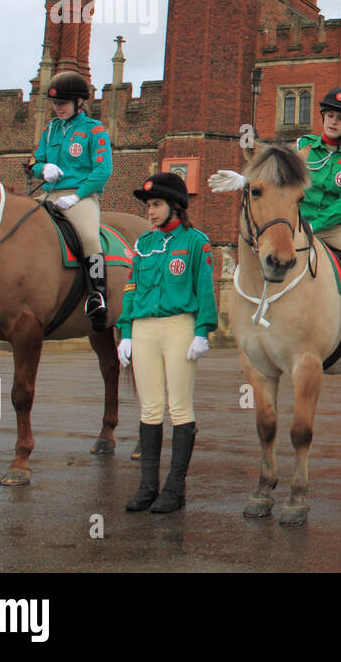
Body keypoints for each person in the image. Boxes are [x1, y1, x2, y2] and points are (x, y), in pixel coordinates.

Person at [209, 87, 341, 367]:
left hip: (338, 227)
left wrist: (313, 226)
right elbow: (276, 176)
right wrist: (246, 180)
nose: (332, 121)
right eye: (329, 115)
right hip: (295, 223)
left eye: (340, 118)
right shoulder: (303, 146)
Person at [116, 173, 218, 514]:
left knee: (179, 408)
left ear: (175, 205)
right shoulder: (143, 244)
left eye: (156, 204)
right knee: (150, 408)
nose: (151, 211)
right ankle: (148, 486)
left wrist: (203, 330)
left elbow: (204, 288)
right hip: (144, 328)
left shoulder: (195, 242)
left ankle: (175, 488)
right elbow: (131, 287)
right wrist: (126, 331)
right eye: (148, 206)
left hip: (179, 327)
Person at [31, 71, 113, 330]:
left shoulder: (93, 130)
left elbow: (103, 170)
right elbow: (35, 160)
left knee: (89, 238)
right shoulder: (50, 130)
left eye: (63, 103)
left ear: (79, 102)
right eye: (55, 103)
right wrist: (43, 169)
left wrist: (77, 196)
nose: (58, 108)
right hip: (48, 193)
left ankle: (97, 296)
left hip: (81, 195)